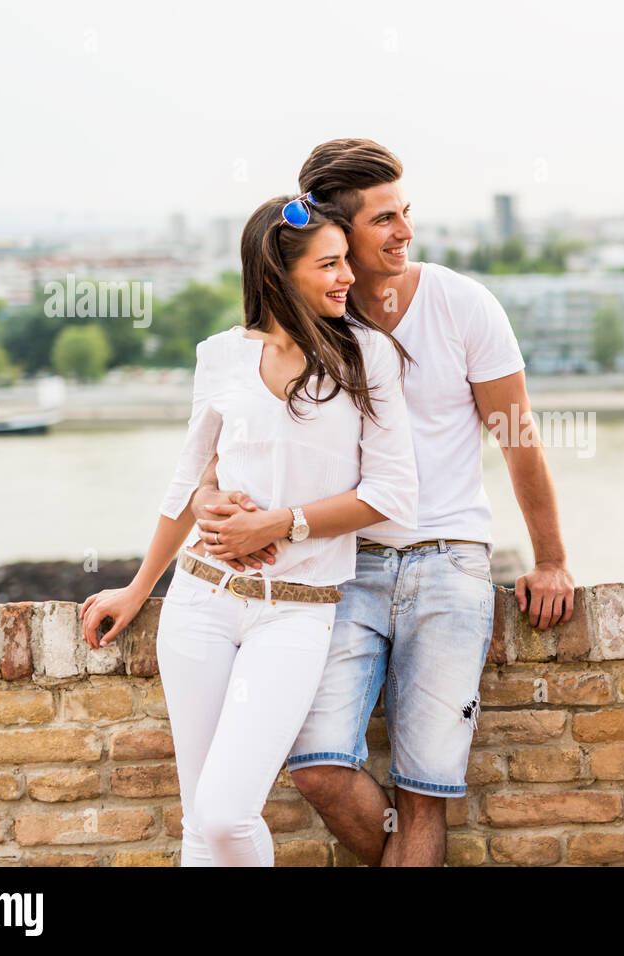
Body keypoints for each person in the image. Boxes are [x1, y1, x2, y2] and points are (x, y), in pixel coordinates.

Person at [188, 139, 576, 866]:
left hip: (450, 561)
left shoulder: (463, 304)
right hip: (342, 569)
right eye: (384, 219)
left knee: (425, 787)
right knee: (320, 768)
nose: (403, 232)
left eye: (406, 213)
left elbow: (519, 438)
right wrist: (215, 502)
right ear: (337, 232)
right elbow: (228, 449)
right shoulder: (313, 325)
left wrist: (552, 558)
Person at [78, 196, 418, 866]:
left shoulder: (367, 358)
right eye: (329, 264)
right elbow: (188, 480)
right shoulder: (220, 357)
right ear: (278, 275)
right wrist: (141, 586)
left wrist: (280, 524)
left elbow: (394, 497)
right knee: (197, 825)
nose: (348, 275)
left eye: (346, 259)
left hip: (295, 616)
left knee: (228, 813)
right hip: (200, 603)